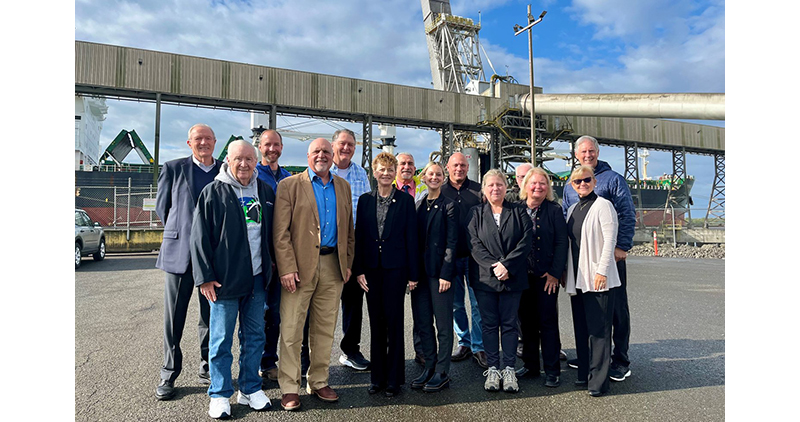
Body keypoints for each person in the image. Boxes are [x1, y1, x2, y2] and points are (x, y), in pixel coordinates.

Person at [191, 140, 275, 418]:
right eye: (238, 159)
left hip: (256, 279)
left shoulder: (264, 190)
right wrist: (204, 277)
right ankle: (219, 393)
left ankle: (250, 388)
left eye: (249, 159)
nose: (244, 164)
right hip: (224, 281)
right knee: (220, 340)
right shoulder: (213, 191)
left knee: (254, 337)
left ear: (255, 161)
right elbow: (199, 237)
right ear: (228, 160)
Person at [272, 138, 355, 411]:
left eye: (326, 152)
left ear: (332, 156)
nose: (321, 155)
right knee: (292, 329)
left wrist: (348, 263)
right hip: (298, 268)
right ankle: (289, 387)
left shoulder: (343, 186)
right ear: (308, 156)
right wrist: (286, 268)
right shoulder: (289, 186)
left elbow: (349, 232)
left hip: (333, 266)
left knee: (324, 328)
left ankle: (318, 380)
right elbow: (280, 233)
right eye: (316, 151)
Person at [154, 123, 221, 401]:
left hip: (214, 256)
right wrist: (182, 232)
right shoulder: (173, 168)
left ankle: (207, 366)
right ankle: (169, 372)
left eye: (207, 138)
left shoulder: (224, 171)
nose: (203, 143)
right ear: (188, 142)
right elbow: (163, 207)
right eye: (198, 139)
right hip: (179, 254)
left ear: (215, 142)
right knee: (174, 318)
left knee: (210, 316)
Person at [561, 135, 635, 382]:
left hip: (609, 257)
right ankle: (591, 358)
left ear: (598, 151)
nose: (587, 155)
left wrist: (622, 247)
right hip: (580, 261)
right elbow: (566, 220)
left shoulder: (613, 180)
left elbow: (626, 212)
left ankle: (620, 360)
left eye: (591, 151)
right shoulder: (568, 187)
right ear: (575, 155)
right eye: (583, 152)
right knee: (586, 311)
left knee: (615, 310)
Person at [354, 152, 418, 397]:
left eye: (390, 170)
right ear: (374, 171)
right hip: (371, 269)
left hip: (396, 269)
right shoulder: (364, 200)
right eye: (382, 169)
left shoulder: (404, 201)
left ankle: (394, 379)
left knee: (394, 323)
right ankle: (377, 377)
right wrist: (358, 269)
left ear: (395, 173)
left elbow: (411, 237)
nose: (386, 173)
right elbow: (359, 237)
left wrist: (413, 274)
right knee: (376, 323)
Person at [467, 169, 533, 393]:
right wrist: (495, 266)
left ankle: (509, 368)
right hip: (486, 278)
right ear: (484, 190)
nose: (495, 189)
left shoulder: (518, 211)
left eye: (499, 184)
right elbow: (474, 244)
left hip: (512, 277)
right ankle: (493, 368)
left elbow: (526, 241)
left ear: (506, 187)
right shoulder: (475, 213)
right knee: (488, 324)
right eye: (491, 185)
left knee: (509, 324)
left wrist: (507, 265)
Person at [564, 165, 622, 397]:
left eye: (587, 180)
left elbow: (610, 240)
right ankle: (584, 374)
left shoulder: (603, 206)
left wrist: (602, 271)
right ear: (571, 185)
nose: (582, 184)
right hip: (578, 278)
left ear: (594, 182)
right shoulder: (572, 210)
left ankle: (599, 382)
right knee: (581, 328)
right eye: (577, 181)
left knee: (599, 330)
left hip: (598, 278)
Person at [515, 167, 568, 388]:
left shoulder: (554, 210)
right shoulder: (516, 209)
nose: (538, 187)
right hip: (521, 277)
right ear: (525, 186)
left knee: (547, 322)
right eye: (533, 183)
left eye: (542, 183)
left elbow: (561, 242)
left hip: (546, 277)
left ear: (548, 188)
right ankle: (531, 365)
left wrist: (555, 273)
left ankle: (552, 369)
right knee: (526, 323)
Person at [409, 161, 458, 393]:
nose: (435, 177)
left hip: (440, 275)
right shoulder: (419, 205)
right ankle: (429, 365)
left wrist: (446, 274)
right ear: (424, 177)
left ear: (443, 177)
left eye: (439, 174)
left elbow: (452, 242)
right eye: (431, 174)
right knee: (423, 323)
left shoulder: (449, 205)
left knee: (444, 324)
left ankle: (442, 371)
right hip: (420, 275)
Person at [330, 128, 372, 372]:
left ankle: (350, 350)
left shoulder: (360, 173)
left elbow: (365, 210)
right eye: (343, 144)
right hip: (327, 246)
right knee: (322, 303)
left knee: (353, 302)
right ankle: (313, 355)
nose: (347, 148)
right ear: (334, 145)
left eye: (351, 145)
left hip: (353, 246)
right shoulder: (325, 170)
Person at [441, 152, 487, 369]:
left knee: (477, 304)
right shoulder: (440, 191)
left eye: (462, 165)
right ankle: (464, 342)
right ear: (447, 168)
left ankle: (479, 346)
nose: (459, 169)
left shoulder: (479, 191)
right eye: (455, 165)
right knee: (456, 304)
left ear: (468, 168)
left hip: (475, 258)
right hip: (451, 258)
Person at [254, 129, 292, 383]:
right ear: (259, 147)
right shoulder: (252, 176)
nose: (272, 149)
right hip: (259, 257)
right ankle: (255, 363)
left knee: (277, 313)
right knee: (257, 313)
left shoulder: (289, 178)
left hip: (284, 258)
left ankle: (269, 362)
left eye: (276, 144)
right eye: (267, 144)